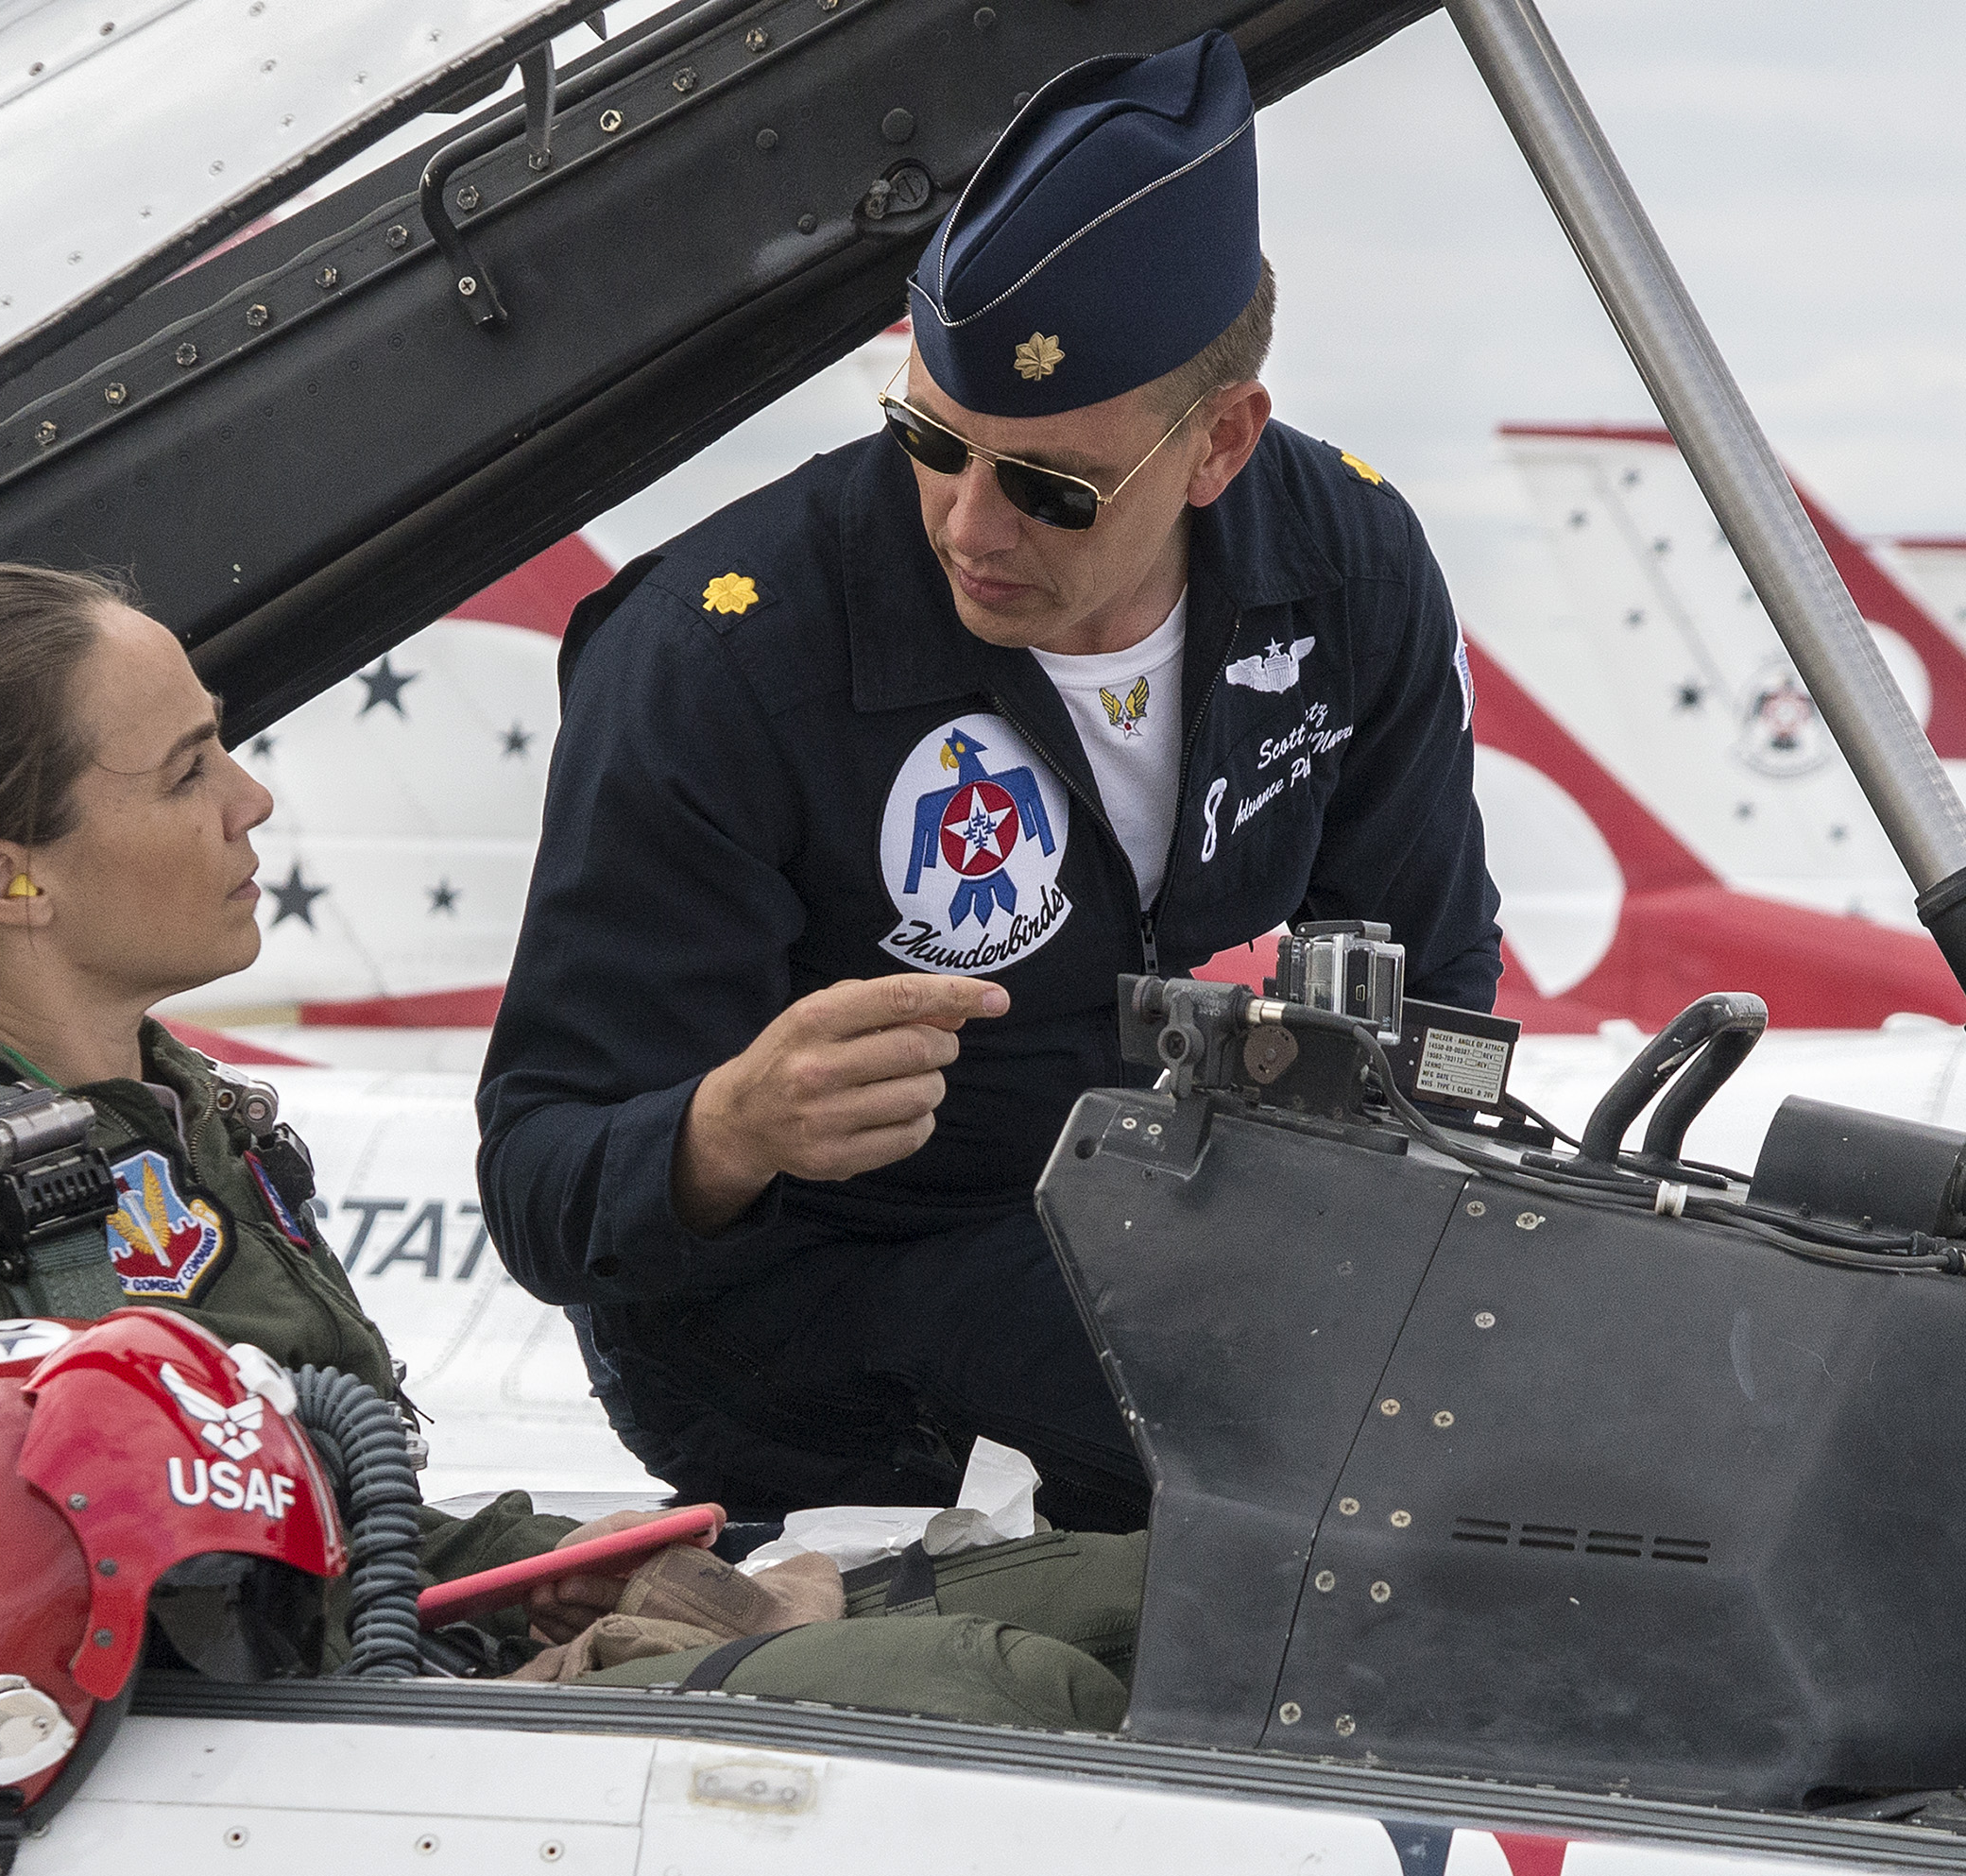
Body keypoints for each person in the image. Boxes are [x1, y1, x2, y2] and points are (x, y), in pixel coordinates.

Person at [0, 564, 1143, 1731]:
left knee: (1158, 1600)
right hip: (262, 1765)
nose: (253, 802)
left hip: (385, 1676)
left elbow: (303, 1518)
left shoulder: (168, 1122)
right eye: (188, 770)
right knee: (1017, 1696)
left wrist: (556, 1566)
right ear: (12, 879)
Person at [475, 31, 1502, 1528]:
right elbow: (539, 1175)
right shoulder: (720, 659)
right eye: (928, 441)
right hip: (802, 1317)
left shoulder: (1344, 565)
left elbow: (1437, 995)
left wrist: (1436, 1231)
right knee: (1319, 1421)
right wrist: (730, 1127)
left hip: (1142, 1242)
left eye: (1048, 487)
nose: (967, 525)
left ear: (1221, 444)